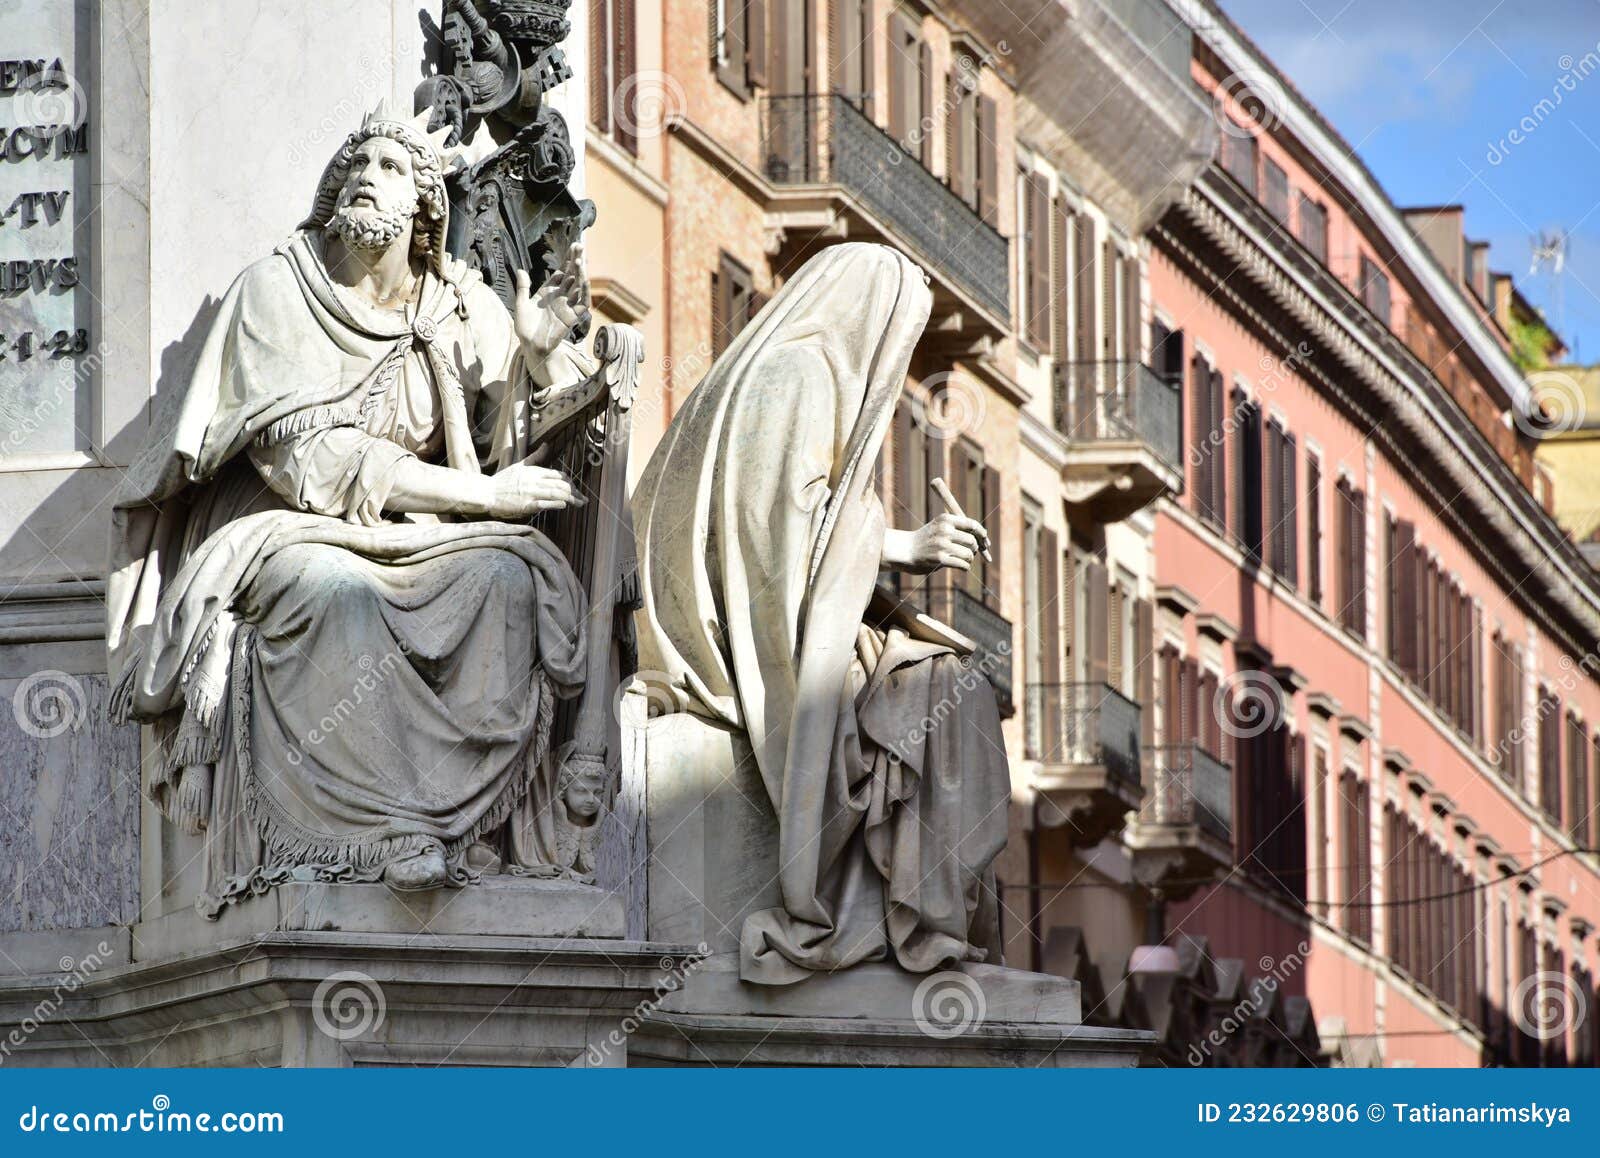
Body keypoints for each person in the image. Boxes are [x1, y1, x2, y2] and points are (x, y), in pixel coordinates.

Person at [107, 107, 594, 910]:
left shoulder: (455, 305)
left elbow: (498, 441)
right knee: (337, 593)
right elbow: (309, 462)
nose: (369, 174)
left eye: (392, 167)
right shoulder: (278, 291)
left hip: (417, 533)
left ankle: (464, 830)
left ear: (425, 211)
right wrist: (482, 495)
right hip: (285, 524)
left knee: (508, 580)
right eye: (356, 163)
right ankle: (379, 833)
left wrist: (536, 363)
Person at [631, 242, 1009, 985]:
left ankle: (921, 916)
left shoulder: (771, 370)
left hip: (755, 619)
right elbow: (783, 540)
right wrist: (907, 544)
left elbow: (788, 540)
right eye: (899, 335)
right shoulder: (799, 377)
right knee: (950, 693)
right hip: (739, 643)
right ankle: (914, 922)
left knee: (934, 679)